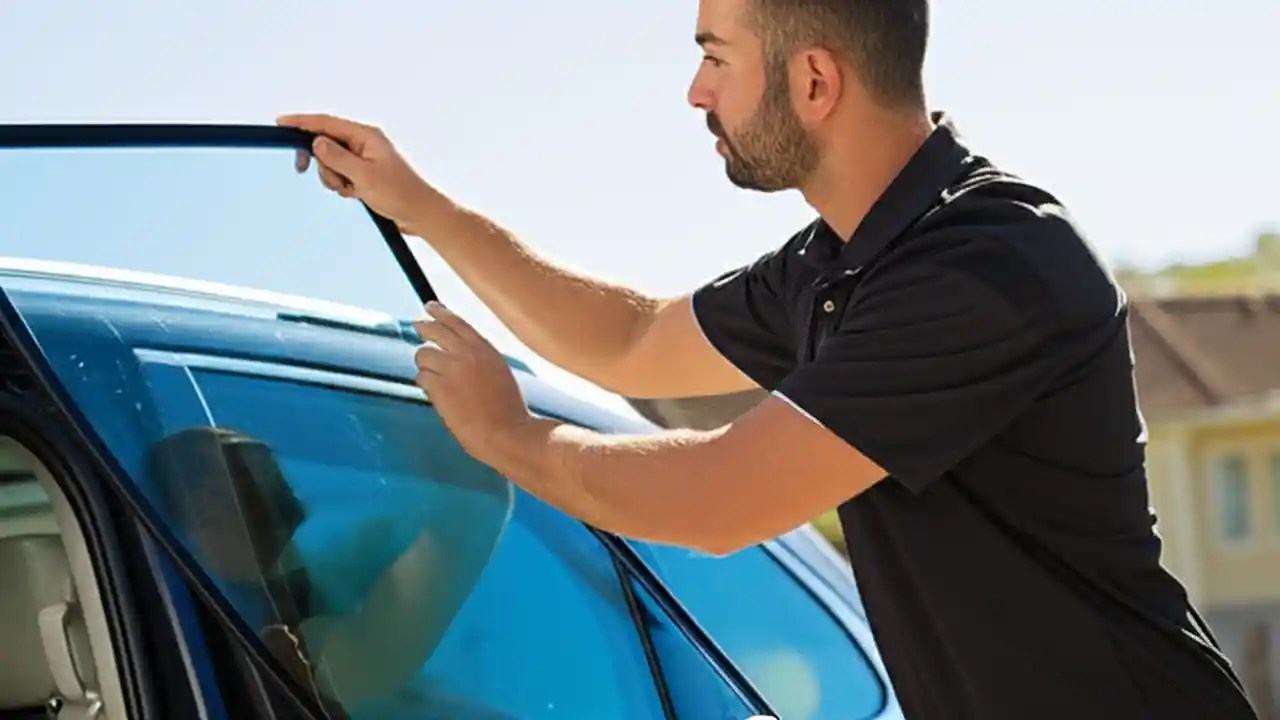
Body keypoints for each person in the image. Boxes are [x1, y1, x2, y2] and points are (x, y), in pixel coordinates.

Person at [278, 0, 1260, 717]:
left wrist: (509, 438)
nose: (695, 91)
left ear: (813, 81)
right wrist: (422, 208)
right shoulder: (839, 264)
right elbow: (630, 340)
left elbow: (719, 499)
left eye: (716, 56)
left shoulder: (984, 264)